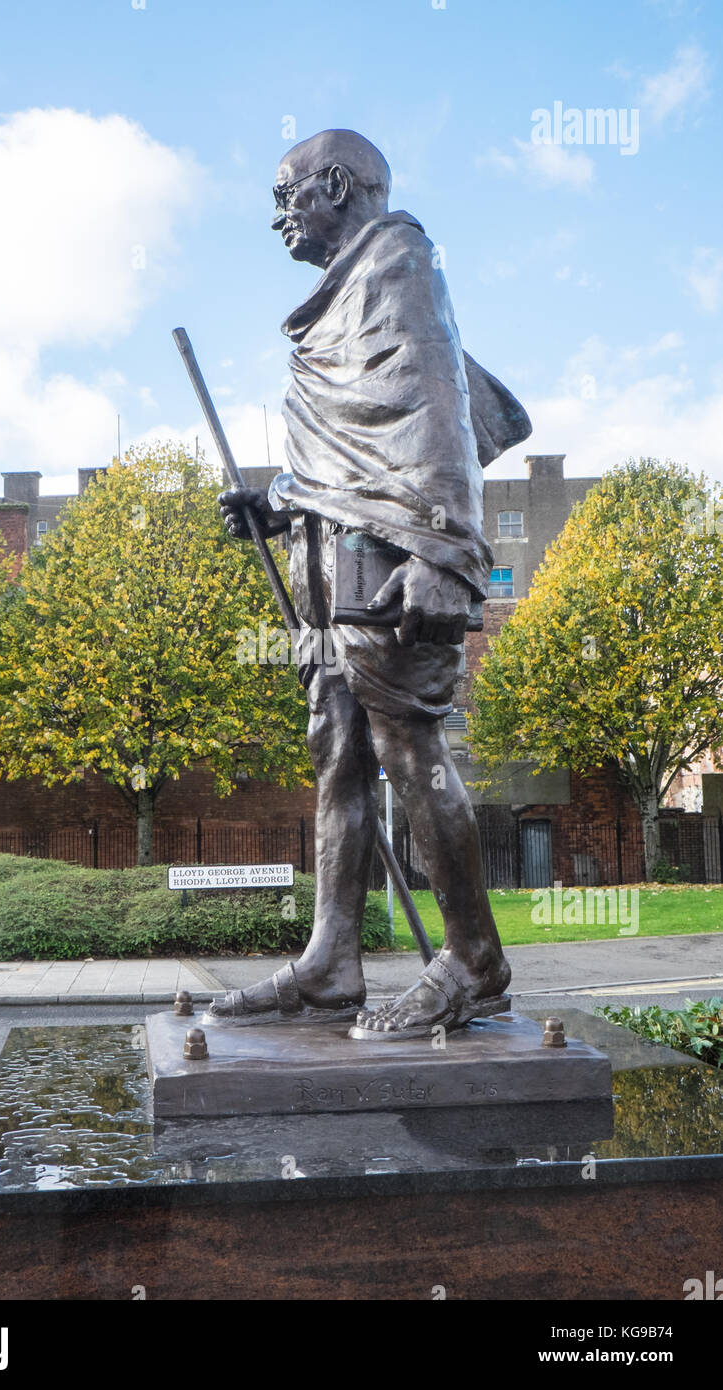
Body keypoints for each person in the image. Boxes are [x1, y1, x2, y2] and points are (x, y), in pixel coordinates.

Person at [211, 129, 530, 1037]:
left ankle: (475, 959)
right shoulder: (342, 290)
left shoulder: (399, 261)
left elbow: (436, 410)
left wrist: (439, 555)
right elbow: (353, 448)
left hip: (394, 555)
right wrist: (275, 500)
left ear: (338, 185)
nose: (278, 218)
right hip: (331, 547)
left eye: (287, 196)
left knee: (407, 747)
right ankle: (331, 960)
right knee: (337, 745)